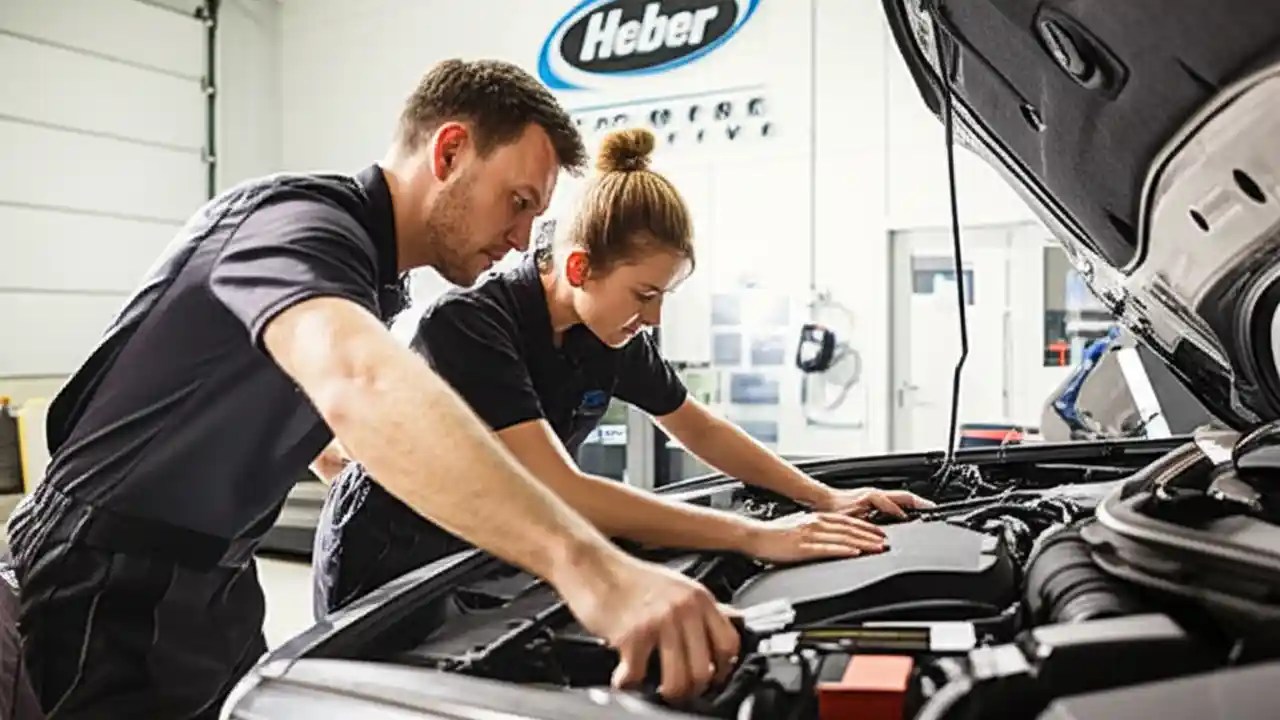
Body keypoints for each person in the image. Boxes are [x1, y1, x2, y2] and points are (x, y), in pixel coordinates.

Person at [4, 60, 742, 718]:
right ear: (449, 151)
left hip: (217, 578)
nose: (524, 240)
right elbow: (357, 380)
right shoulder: (294, 224)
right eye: (517, 202)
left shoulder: (373, 281)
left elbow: (321, 416)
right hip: (106, 574)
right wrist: (593, 568)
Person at [313, 127, 933, 622]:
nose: (654, 316)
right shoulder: (468, 326)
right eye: (644, 294)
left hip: (490, 552)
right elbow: (563, 488)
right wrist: (752, 536)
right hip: (391, 561)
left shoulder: (608, 335)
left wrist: (824, 496)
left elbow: (701, 429)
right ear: (579, 267)